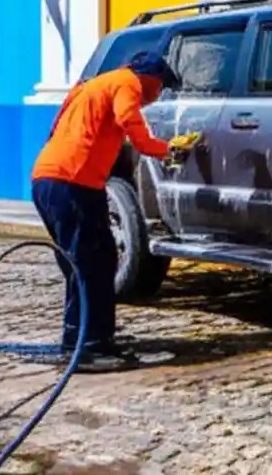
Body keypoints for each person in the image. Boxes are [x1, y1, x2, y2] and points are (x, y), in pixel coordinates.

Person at [31, 51, 199, 371]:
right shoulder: (128, 83)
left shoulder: (92, 86)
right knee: (95, 264)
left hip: (47, 180)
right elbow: (131, 124)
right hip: (74, 182)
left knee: (79, 265)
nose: (157, 94)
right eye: (160, 86)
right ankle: (93, 349)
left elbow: (58, 130)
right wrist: (169, 149)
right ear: (150, 76)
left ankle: (77, 340)